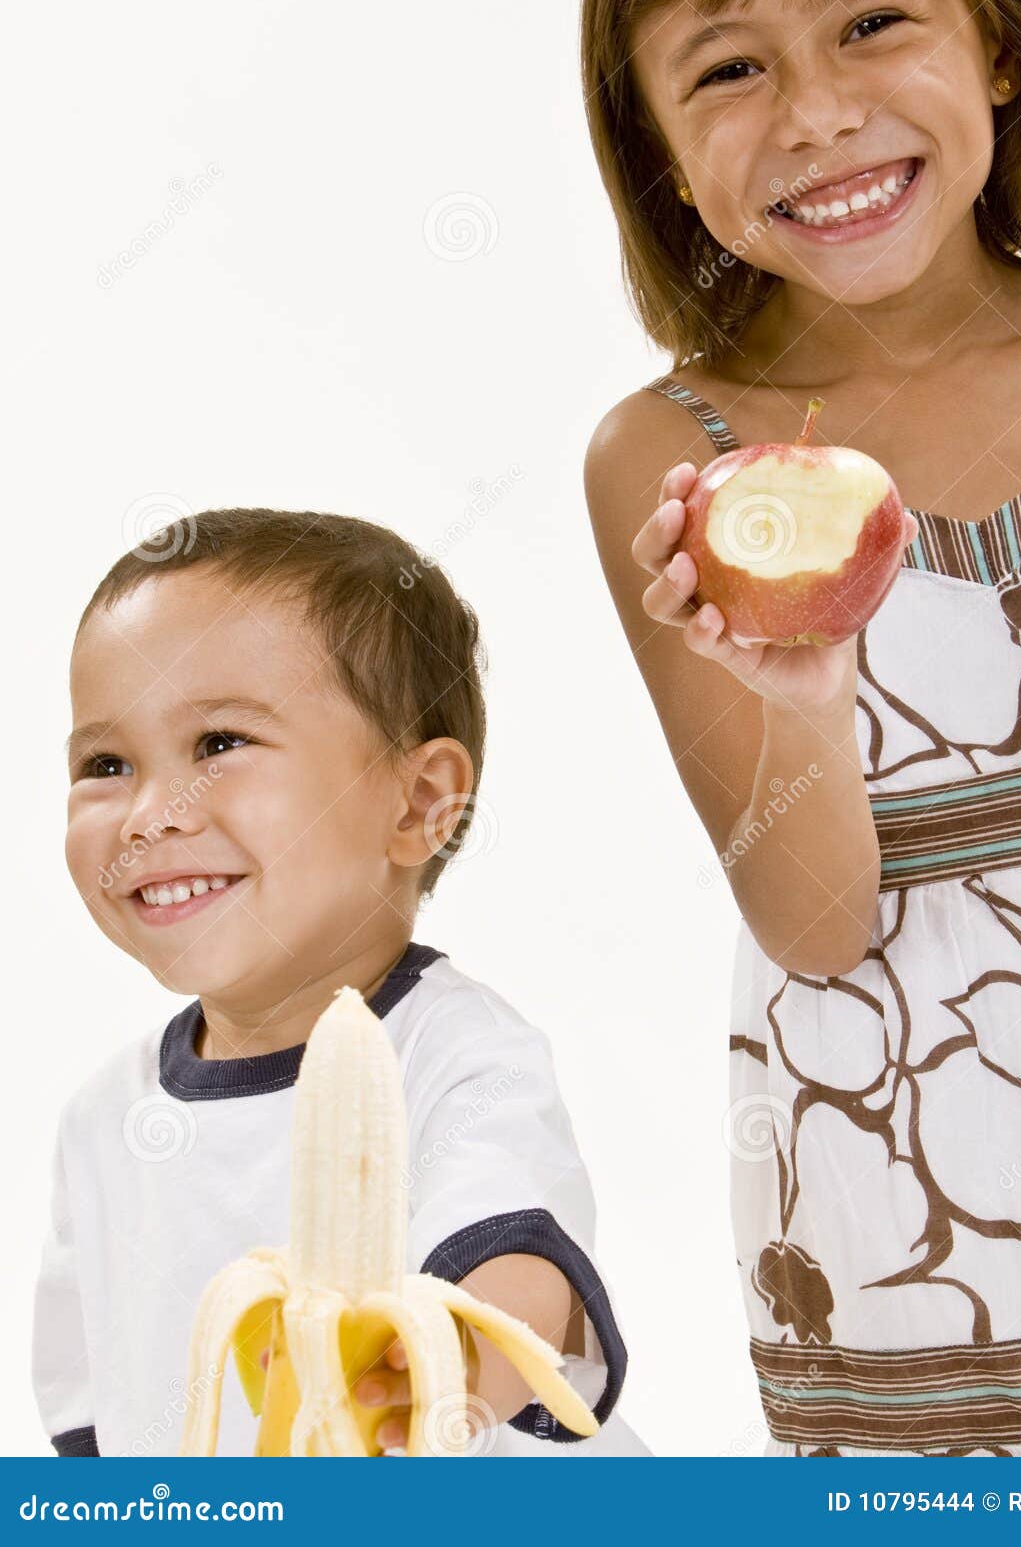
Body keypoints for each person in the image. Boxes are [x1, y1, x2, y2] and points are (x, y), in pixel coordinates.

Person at [582, 0, 1021, 1455]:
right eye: (728, 69)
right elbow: (815, 922)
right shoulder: (676, 455)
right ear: (658, 150)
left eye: (872, 23)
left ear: (999, 43)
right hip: (909, 1238)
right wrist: (800, 696)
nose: (816, 114)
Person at [33, 508, 644, 1457]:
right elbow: (90, 1408)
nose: (152, 813)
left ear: (418, 802)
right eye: (105, 765)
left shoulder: (456, 1052)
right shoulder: (104, 1118)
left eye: (218, 743)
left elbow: (518, 1266)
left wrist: (441, 1368)